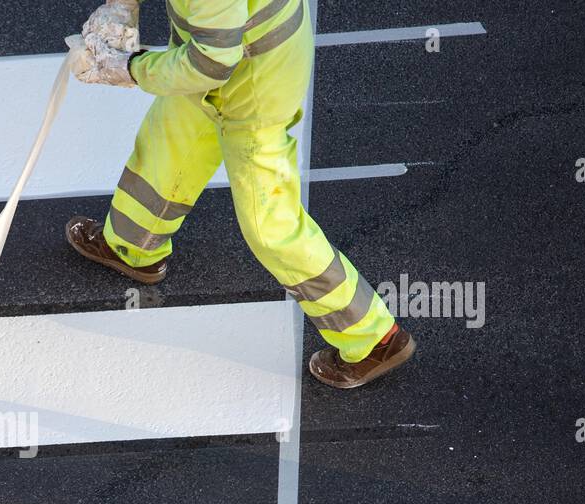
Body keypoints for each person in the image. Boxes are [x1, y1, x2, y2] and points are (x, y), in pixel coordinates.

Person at [67, 0, 414, 389]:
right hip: (212, 49)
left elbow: (212, 64)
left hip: (256, 78)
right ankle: (131, 245)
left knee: (269, 225)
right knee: (169, 143)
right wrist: (122, 5)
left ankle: (373, 338)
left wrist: (129, 69)